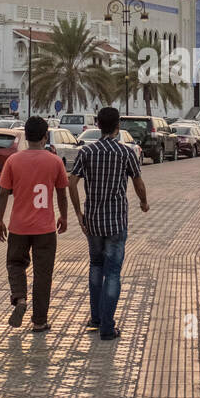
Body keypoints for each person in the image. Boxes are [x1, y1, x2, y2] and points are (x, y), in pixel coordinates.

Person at [68, 106, 149, 341]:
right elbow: (138, 182)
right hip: (115, 222)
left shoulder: (87, 152)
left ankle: (95, 319)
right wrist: (144, 203)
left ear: (97, 125)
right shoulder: (125, 153)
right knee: (113, 273)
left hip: (92, 221)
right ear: (118, 126)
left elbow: (71, 183)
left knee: (95, 267)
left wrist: (78, 214)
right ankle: (107, 326)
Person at [0, 115, 69, 332]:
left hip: (18, 226)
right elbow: (62, 193)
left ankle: (20, 299)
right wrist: (63, 217)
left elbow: (3, 194)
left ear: (25, 136)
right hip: (45, 228)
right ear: (46, 136)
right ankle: (39, 321)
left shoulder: (13, 161)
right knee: (43, 274)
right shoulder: (54, 161)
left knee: (15, 264)